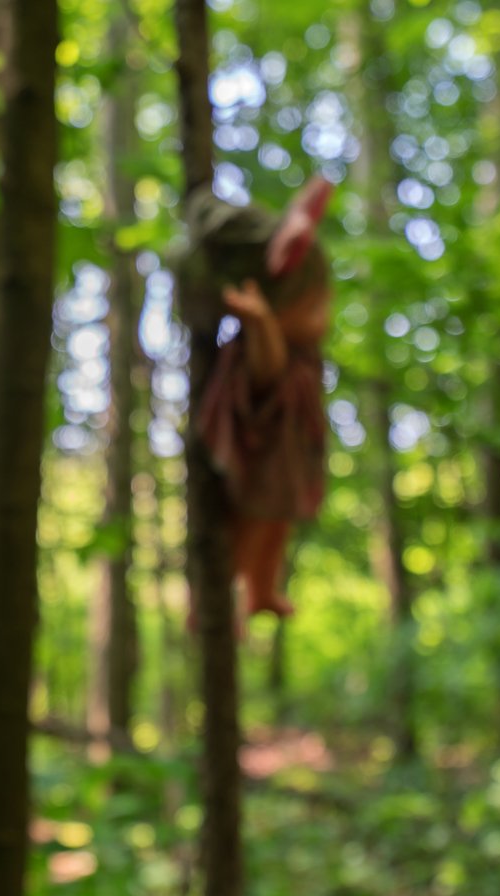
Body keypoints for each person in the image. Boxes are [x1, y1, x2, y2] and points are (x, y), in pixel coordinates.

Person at [190, 176, 335, 618]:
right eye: (315, 306)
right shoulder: (268, 344)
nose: (324, 315)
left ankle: (261, 591)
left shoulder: (304, 355)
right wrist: (262, 324)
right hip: (264, 474)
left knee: (277, 529)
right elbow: (266, 373)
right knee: (253, 529)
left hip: (285, 469)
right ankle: (216, 602)